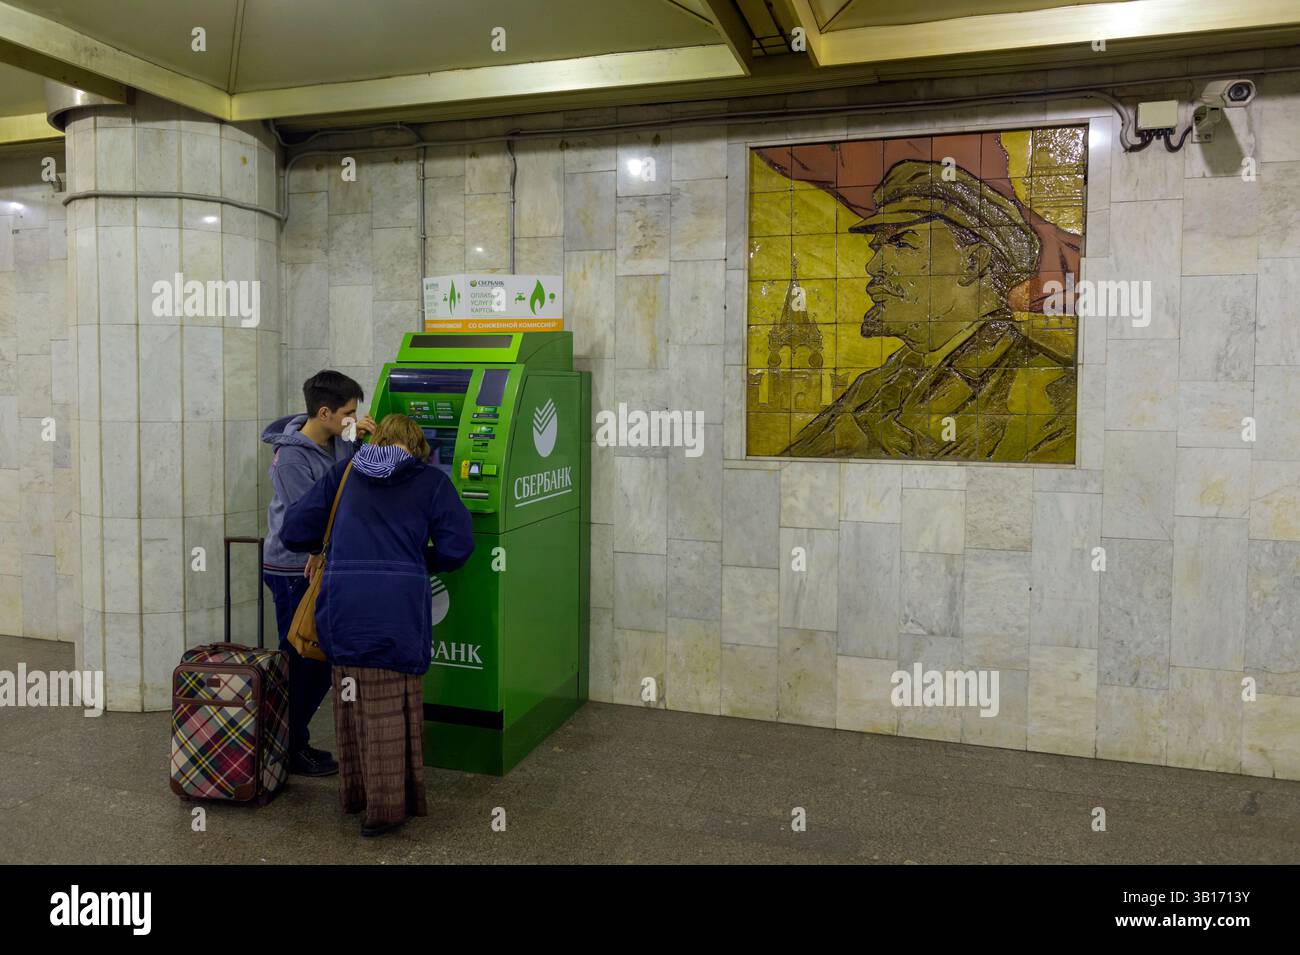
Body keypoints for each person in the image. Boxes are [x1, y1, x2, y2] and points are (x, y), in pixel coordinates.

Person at [781, 158, 1077, 463]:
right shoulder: (873, 388)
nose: (873, 266)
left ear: (974, 262)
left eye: (901, 243)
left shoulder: (1052, 391)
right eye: (877, 248)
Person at [280, 413, 475, 836]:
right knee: (389, 707)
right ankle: (384, 812)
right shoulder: (431, 482)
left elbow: (294, 530)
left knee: (351, 705)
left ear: (377, 440)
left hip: (344, 608)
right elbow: (458, 547)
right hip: (396, 611)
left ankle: (356, 797)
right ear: (418, 448)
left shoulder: (344, 472)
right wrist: (417, 561)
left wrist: (333, 548)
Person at [261, 371, 376, 776]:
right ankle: (289, 748)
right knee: (302, 661)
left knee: (316, 660)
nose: (353, 419)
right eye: (348, 414)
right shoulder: (291, 458)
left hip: (321, 564)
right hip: (294, 569)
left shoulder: (335, 442)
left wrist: (357, 442)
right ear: (324, 411)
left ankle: (291, 741)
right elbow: (308, 516)